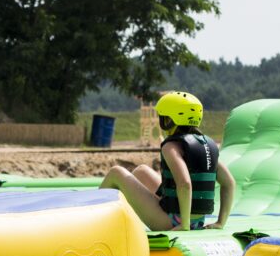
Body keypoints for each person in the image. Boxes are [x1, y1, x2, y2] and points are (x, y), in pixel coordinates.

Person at [100, 91, 235, 231]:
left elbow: (185, 184)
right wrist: (220, 223)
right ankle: (120, 219)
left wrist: (184, 225)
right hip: (197, 221)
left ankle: (94, 219)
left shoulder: (171, 147)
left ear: (169, 120)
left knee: (116, 172)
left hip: (171, 221)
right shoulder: (207, 146)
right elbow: (229, 183)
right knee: (141, 171)